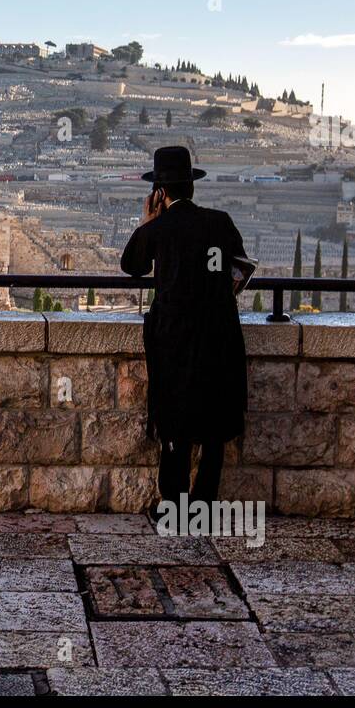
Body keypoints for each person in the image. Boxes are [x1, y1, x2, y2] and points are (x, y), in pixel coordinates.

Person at [120, 145, 248, 505]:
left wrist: (147, 223)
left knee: (174, 422)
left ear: (159, 193)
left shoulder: (160, 228)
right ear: (192, 185)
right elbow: (239, 268)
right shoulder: (220, 222)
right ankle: (205, 503)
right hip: (219, 338)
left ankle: (174, 506)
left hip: (174, 342)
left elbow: (131, 265)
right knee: (214, 425)